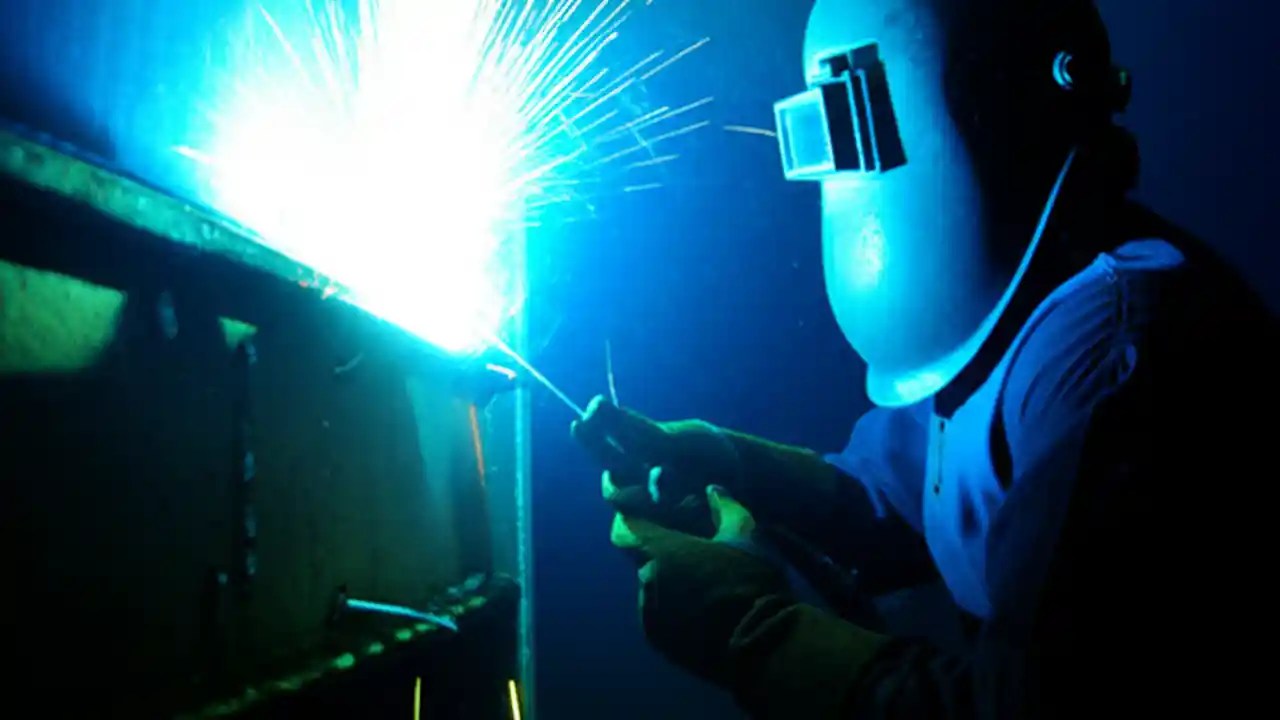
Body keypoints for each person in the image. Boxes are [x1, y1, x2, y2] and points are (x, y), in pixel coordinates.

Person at [571, 0, 1277, 717]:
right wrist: (733, 466)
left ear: (989, 108)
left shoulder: (1115, 358)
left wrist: (760, 633)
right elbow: (908, 493)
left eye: (857, 115)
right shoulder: (1014, 310)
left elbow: (1026, 708)